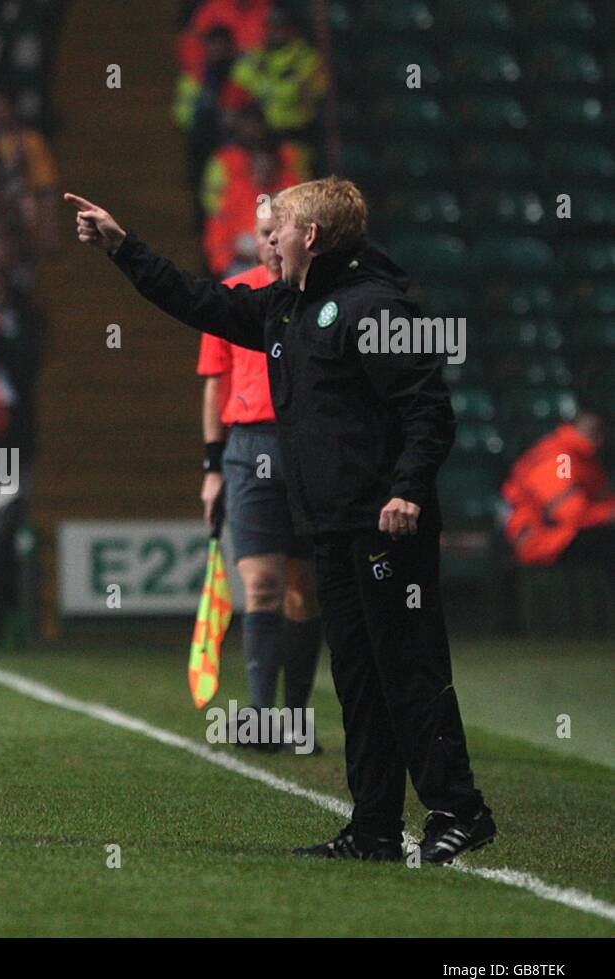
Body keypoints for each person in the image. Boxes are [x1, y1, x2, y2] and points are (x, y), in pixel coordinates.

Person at [65, 177, 495, 865]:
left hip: (386, 526)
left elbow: (430, 411)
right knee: (358, 679)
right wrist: (124, 249)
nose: (269, 239)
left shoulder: (376, 307)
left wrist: (407, 491)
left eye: (280, 227)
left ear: (312, 237)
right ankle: (375, 826)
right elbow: (200, 301)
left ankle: (458, 808)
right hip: (331, 525)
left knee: (407, 670)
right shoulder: (291, 307)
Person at [197, 209, 321, 750]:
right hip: (248, 448)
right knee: (262, 583)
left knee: (303, 591)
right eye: (265, 231)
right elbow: (214, 387)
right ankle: (260, 718)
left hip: (308, 448)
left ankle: (295, 721)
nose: (271, 240)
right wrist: (211, 467)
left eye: (280, 230)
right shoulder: (233, 296)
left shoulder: (322, 300)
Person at [502, 411, 615, 570]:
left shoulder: (583, 457)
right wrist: (608, 514)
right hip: (541, 540)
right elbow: (570, 513)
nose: (599, 438)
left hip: (565, 535)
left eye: (600, 430)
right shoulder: (560, 457)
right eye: (593, 430)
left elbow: (604, 497)